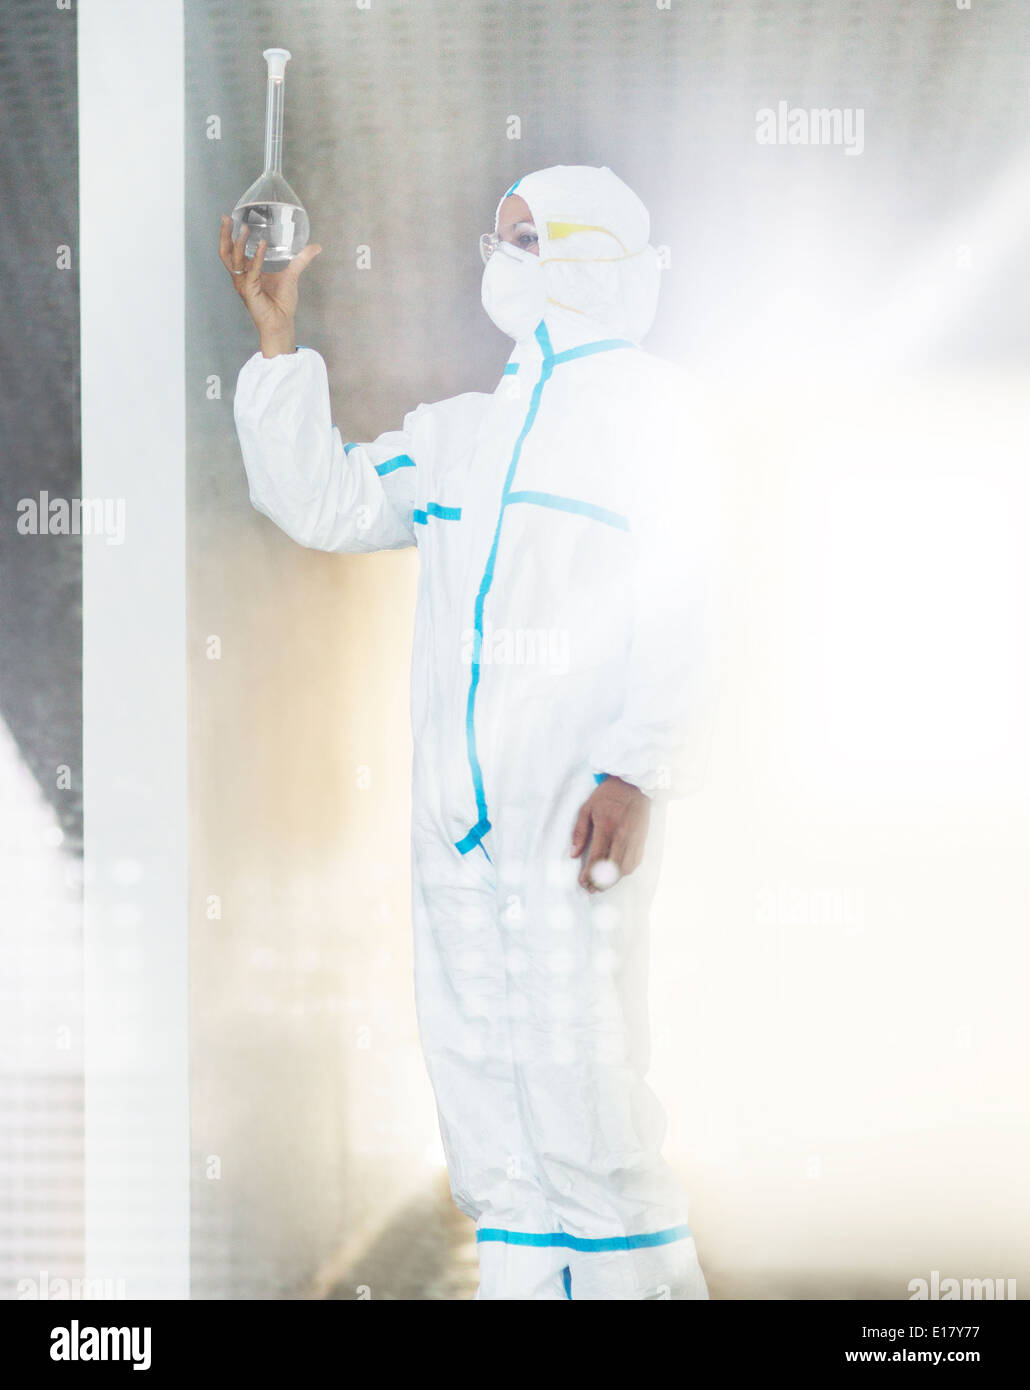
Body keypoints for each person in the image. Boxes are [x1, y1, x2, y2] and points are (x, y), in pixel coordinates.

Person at [221, 164, 720, 1300]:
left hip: (572, 824)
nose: (498, 261)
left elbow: (688, 602)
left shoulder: (653, 417)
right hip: (457, 838)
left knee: (589, 1112)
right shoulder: (460, 440)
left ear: (594, 252)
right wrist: (278, 342)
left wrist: (637, 770)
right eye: (495, 238)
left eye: (524, 238)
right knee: (490, 1120)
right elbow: (326, 503)